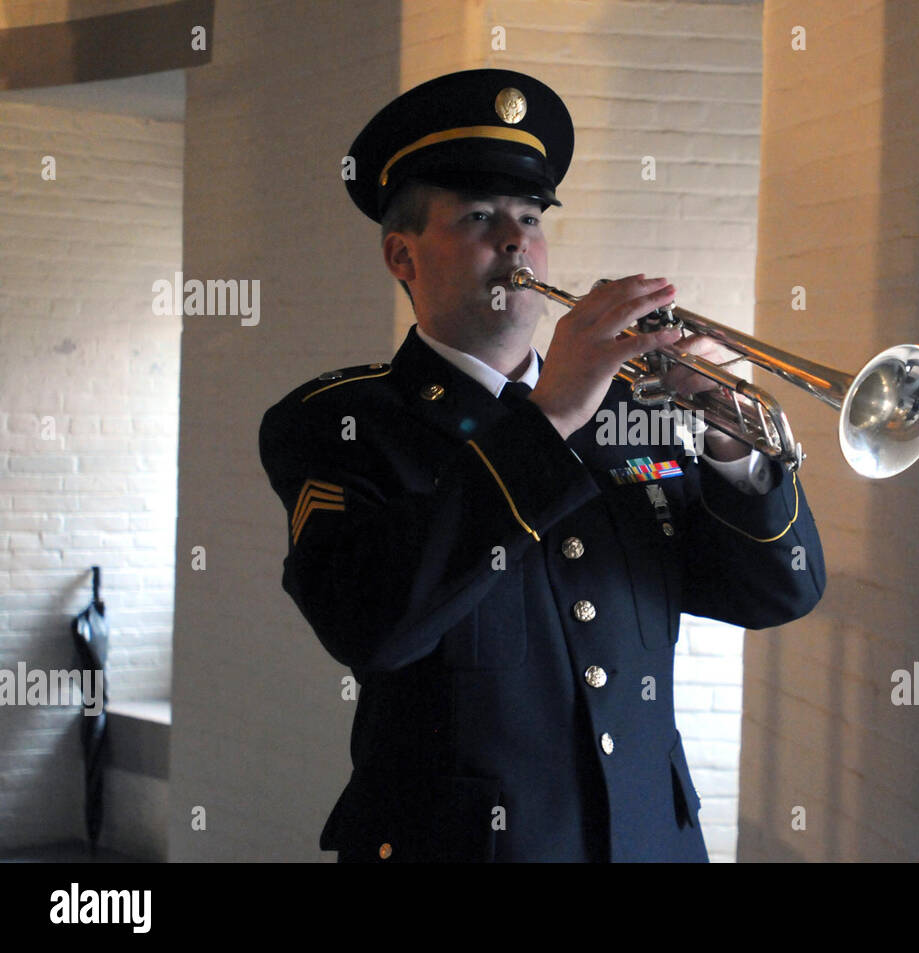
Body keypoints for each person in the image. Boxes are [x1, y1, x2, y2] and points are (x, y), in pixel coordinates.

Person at [258, 68, 826, 862]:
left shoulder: (633, 407)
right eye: (479, 217)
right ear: (402, 255)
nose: (516, 240)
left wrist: (731, 438)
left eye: (530, 215)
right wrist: (549, 413)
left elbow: (781, 590)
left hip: (650, 842)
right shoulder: (339, 424)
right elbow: (371, 624)